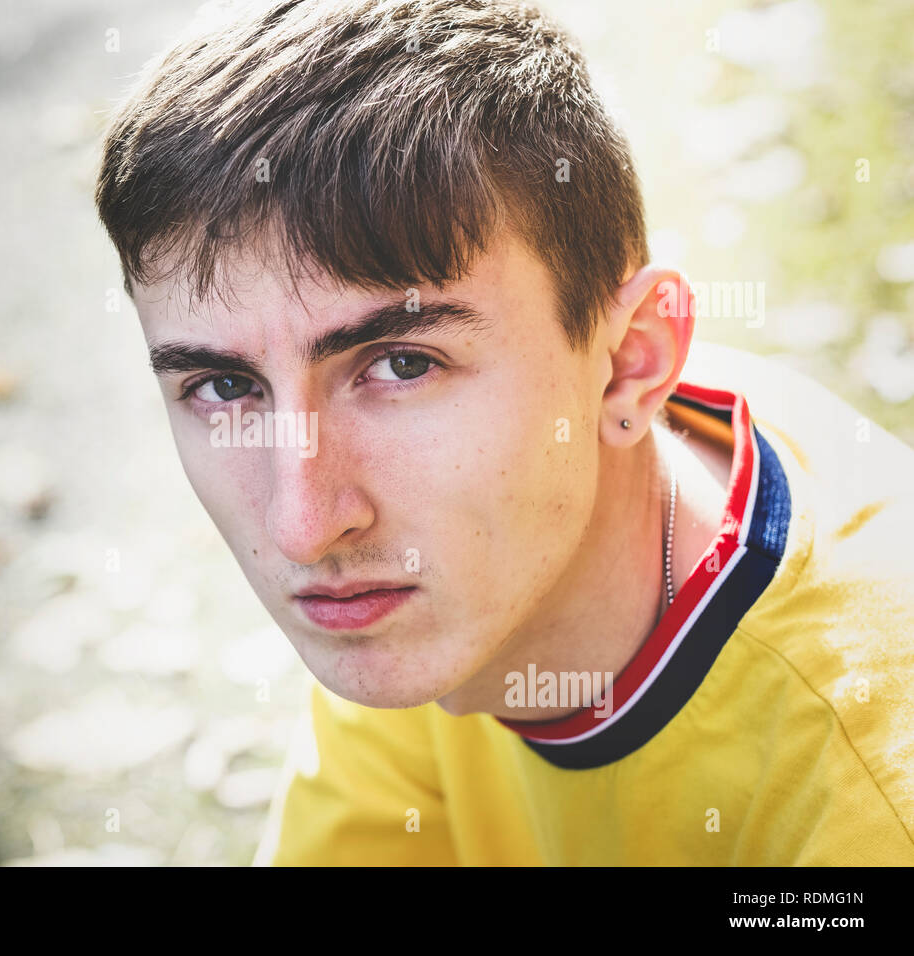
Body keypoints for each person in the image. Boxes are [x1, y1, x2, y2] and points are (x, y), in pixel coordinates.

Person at [92, 0, 914, 864]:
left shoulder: (867, 800)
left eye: (404, 365)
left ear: (630, 361)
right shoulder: (417, 595)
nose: (304, 525)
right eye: (224, 385)